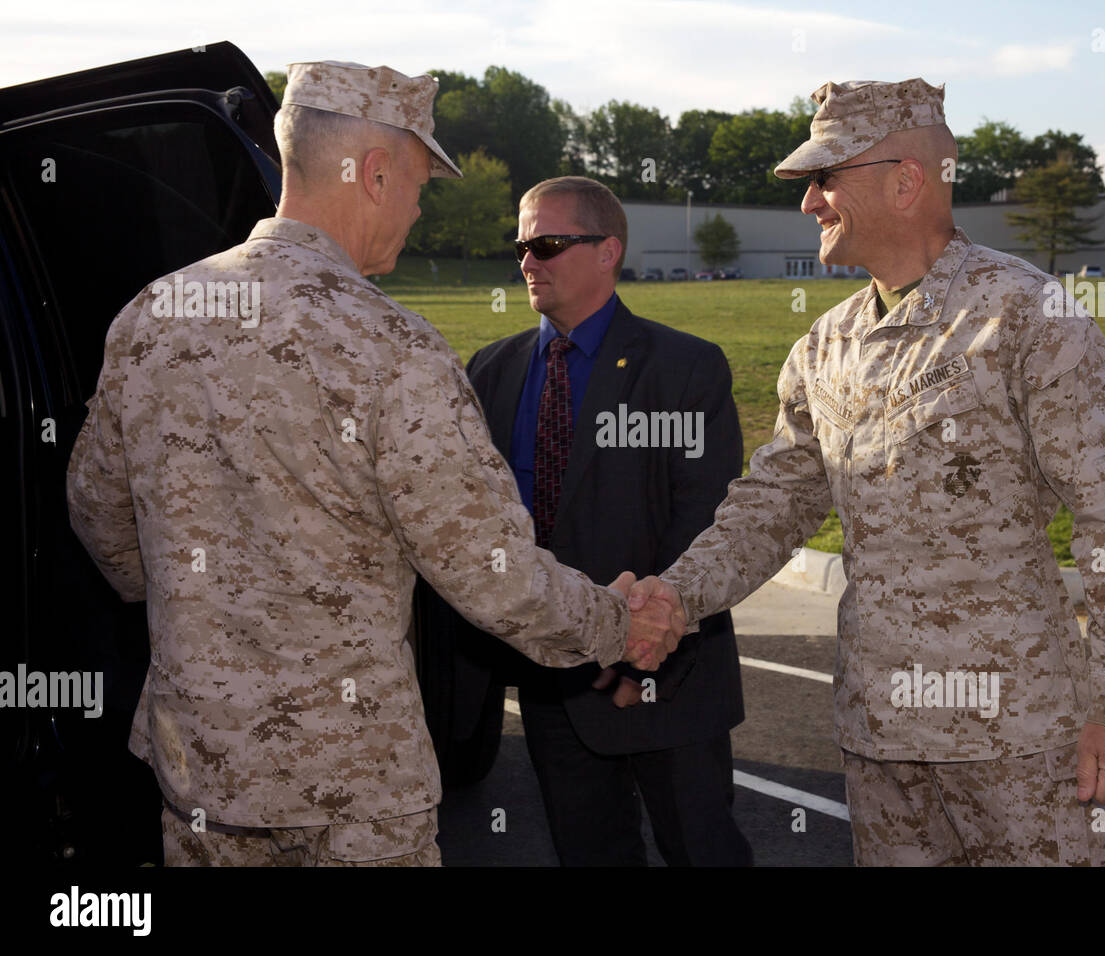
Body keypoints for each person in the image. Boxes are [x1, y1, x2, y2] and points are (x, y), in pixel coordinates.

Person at [65, 61, 680, 868]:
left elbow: (97, 512)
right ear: (376, 173)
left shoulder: (150, 316)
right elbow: (489, 572)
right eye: (419, 183)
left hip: (201, 769)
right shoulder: (393, 347)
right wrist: (614, 624)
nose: (421, 209)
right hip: (348, 790)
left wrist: (195, 596)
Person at [630, 78, 1105, 866]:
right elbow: (774, 507)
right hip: (882, 736)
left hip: (1019, 744)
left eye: (825, 180)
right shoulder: (823, 348)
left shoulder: (1023, 316)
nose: (808, 204)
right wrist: (673, 598)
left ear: (905, 179)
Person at [447, 176, 750, 865]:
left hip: (664, 672)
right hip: (556, 682)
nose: (528, 261)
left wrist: (642, 649)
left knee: (702, 851)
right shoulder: (492, 371)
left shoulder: (685, 368)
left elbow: (702, 522)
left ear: (608, 250)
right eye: (521, 245)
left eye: (547, 243)